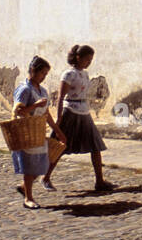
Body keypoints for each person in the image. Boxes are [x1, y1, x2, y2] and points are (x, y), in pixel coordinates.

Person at [44, 44, 114, 192]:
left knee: (95, 145)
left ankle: (99, 180)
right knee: (59, 146)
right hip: (70, 111)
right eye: (87, 59)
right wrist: (59, 118)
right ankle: (46, 177)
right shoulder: (68, 75)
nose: (89, 62)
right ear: (78, 58)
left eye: (91, 59)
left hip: (84, 112)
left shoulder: (85, 74)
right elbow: (61, 97)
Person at [11, 56, 65, 210]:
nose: (43, 77)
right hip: (27, 131)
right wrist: (34, 105)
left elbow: (46, 113)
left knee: (42, 163)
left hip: (39, 131)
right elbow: (18, 111)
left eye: (45, 75)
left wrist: (58, 131)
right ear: (33, 71)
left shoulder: (42, 91)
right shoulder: (24, 89)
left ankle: (24, 187)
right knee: (30, 165)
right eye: (42, 73)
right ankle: (28, 198)